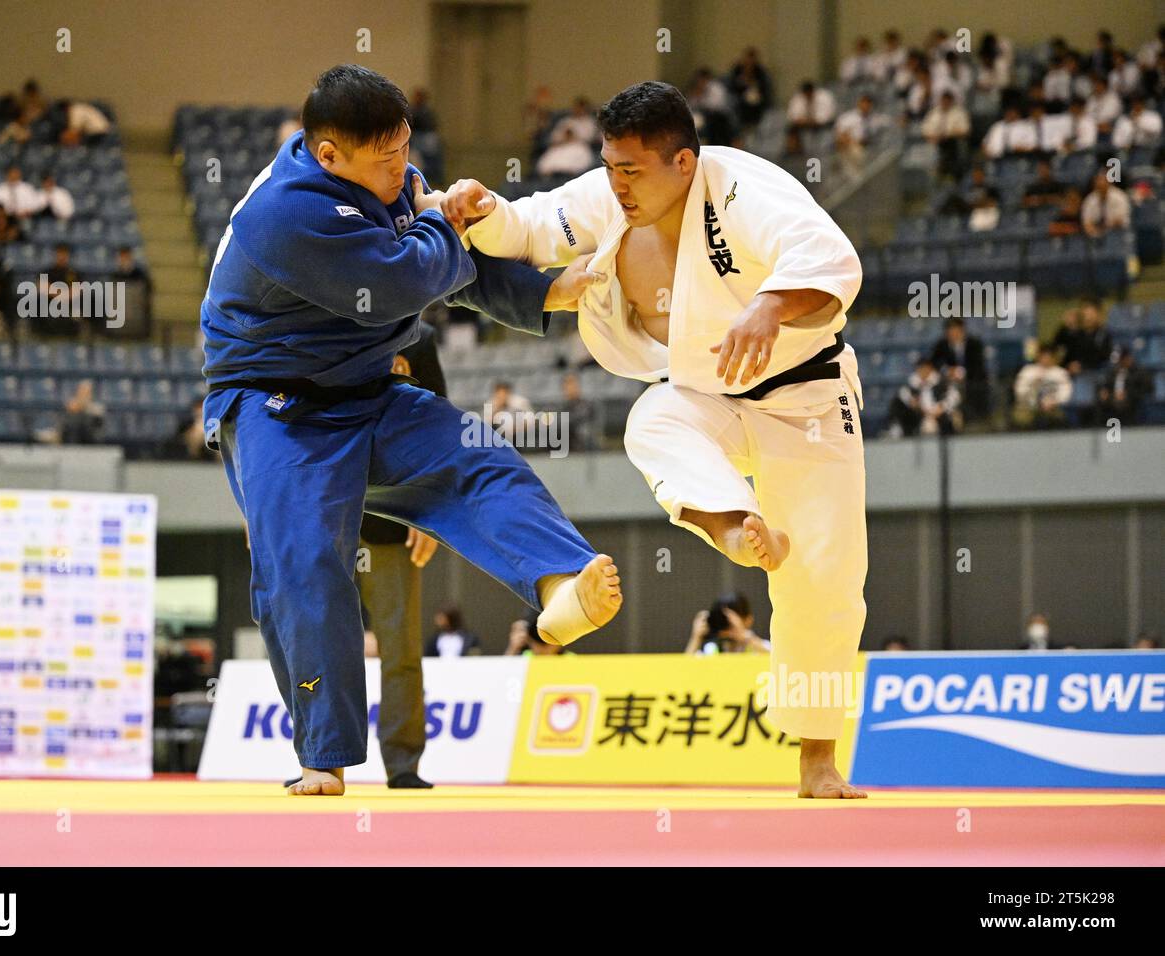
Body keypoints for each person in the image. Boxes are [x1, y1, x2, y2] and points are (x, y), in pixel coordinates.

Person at [200, 65, 622, 797]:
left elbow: (456, 268)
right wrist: (443, 218)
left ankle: (560, 583)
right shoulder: (283, 212)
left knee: (479, 457)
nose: (401, 169)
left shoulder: (393, 181)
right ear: (329, 155)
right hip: (274, 408)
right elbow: (402, 282)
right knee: (306, 562)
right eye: (384, 158)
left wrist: (551, 288)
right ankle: (322, 760)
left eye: (404, 149)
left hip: (368, 392)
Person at [456, 80, 868, 798]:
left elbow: (835, 266)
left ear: (683, 162)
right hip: (708, 393)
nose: (616, 186)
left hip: (806, 394)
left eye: (632, 170)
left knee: (824, 578)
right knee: (651, 421)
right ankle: (734, 525)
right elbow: (527, 230)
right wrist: (484, 210)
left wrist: (770, 306)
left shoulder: (747, 192)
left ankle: (817, 760)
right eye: (610, 166)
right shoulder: (607, 197)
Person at [355, 323, 447, 788]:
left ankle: (404, 763)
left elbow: (438, 430)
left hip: (393, 522)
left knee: (401, 649)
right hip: (328, 510)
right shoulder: (318, 322)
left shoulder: (420, 339)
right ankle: (321, 755)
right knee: (318, 641)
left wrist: (427, 514)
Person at [930, 317, 989, 421]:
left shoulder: (975, 344)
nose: (953, 334)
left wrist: (961, 373)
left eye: (956, 330)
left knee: (978, 385)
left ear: (963, 330)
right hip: (947, 382)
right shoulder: (941, 345)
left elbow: (978, 366)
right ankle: (947, 418)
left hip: (971, 381)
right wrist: (947, 371)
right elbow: (935, 363)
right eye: (950, 331)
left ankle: (975, 419)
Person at [685, 591, 769, 654]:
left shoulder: (759, 648)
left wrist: (745, 636)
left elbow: (776, 660)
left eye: (731, 621)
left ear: (748, 620)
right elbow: (684, 670)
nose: (726, 625)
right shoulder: (710, 649)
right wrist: (696, 639)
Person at [1012, 345, 1072, 429]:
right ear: (1038, 357)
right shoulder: (1028, 371)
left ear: (1053, 358)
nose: (1045, 359)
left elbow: (1066, 393)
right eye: (1043, 357)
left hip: (1053, 406)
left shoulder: (1060, 373)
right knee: (1021, 418)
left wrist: (1054, 401)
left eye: (1048, 357)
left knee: (1059, 417)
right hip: (1029, 406)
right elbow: (1019, 390)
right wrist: (1033, 395)